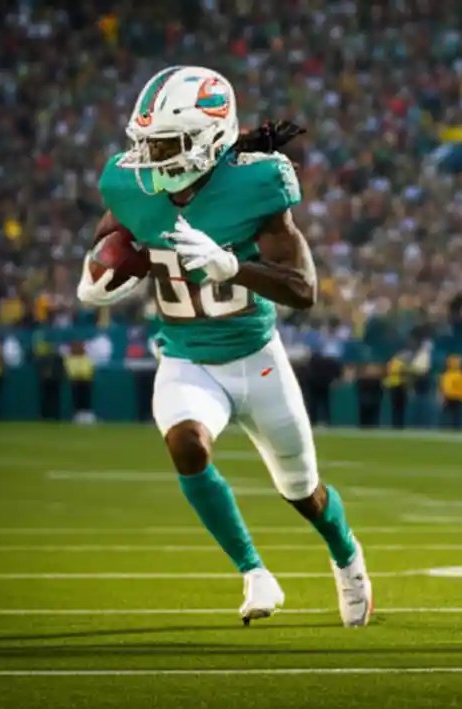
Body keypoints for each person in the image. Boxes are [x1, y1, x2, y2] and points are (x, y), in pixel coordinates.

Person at [74, 66, 371, 627]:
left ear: (208, 140)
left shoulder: (258, 185)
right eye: (146, 142)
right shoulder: (129, 184)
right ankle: (255, 572)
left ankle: (346, 555)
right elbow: (112, 240)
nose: (150, 157)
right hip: (186, 357)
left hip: (257, 361)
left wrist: (235, 266)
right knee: (187, 444)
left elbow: (304, 290)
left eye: (166, 143)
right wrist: (100, 275)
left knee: (302, 490)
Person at [439, 354, 462, 428]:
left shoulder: (448, 374)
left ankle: (451, 428)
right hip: (453, 396)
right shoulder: (448, 374)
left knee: (452, 414)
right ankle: (452, 428)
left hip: (452, 396)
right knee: (454, 414)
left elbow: (443, 386)